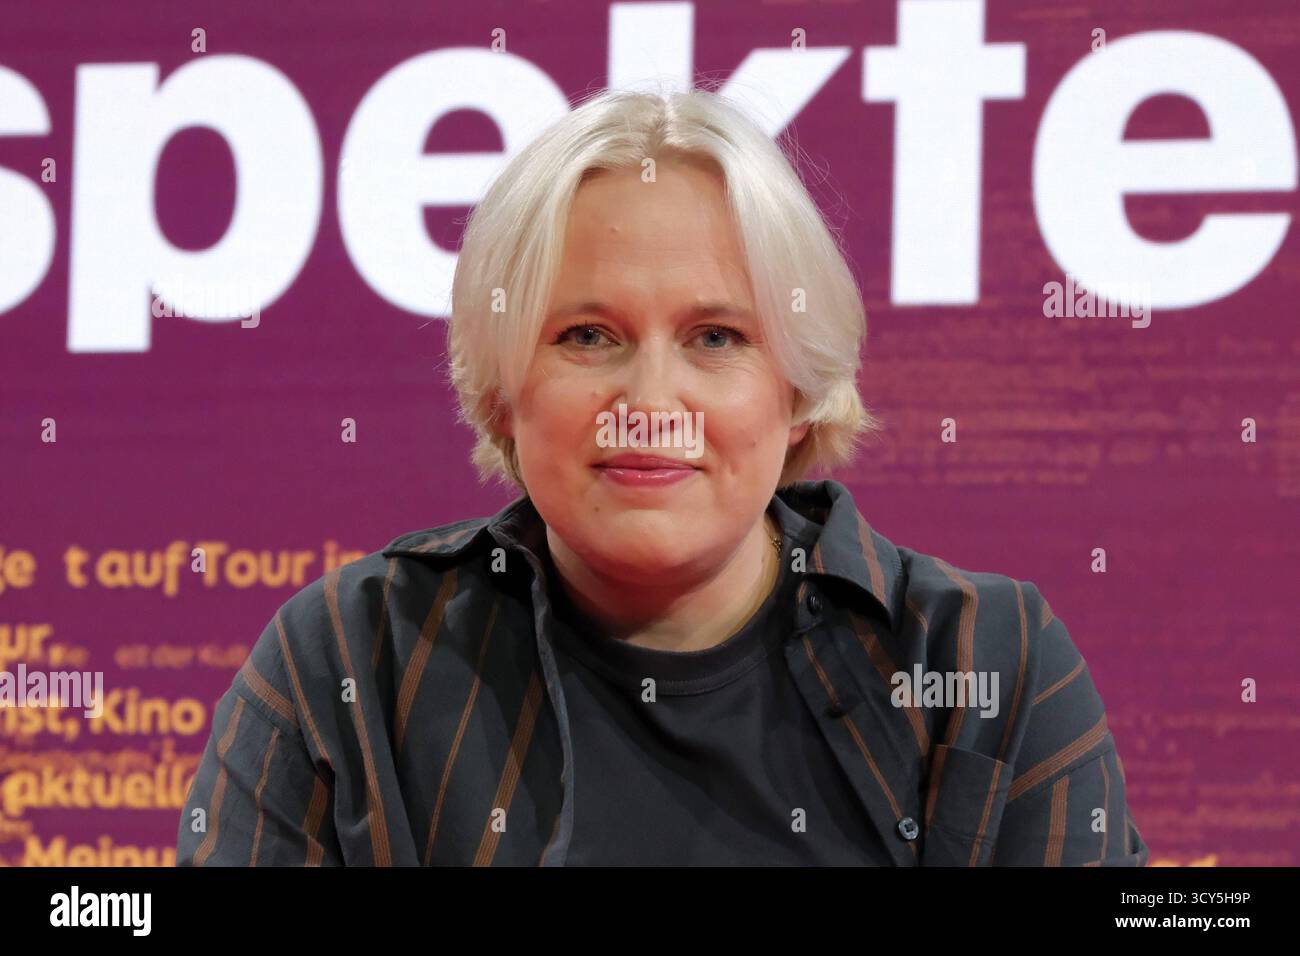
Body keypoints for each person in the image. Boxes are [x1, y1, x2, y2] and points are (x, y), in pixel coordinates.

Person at [176, 86, 1148, 866]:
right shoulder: (349, 661)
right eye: (587, 335)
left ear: (799, 385)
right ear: (502, 385)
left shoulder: (989, 663)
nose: (649, 397)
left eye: (714, 336)